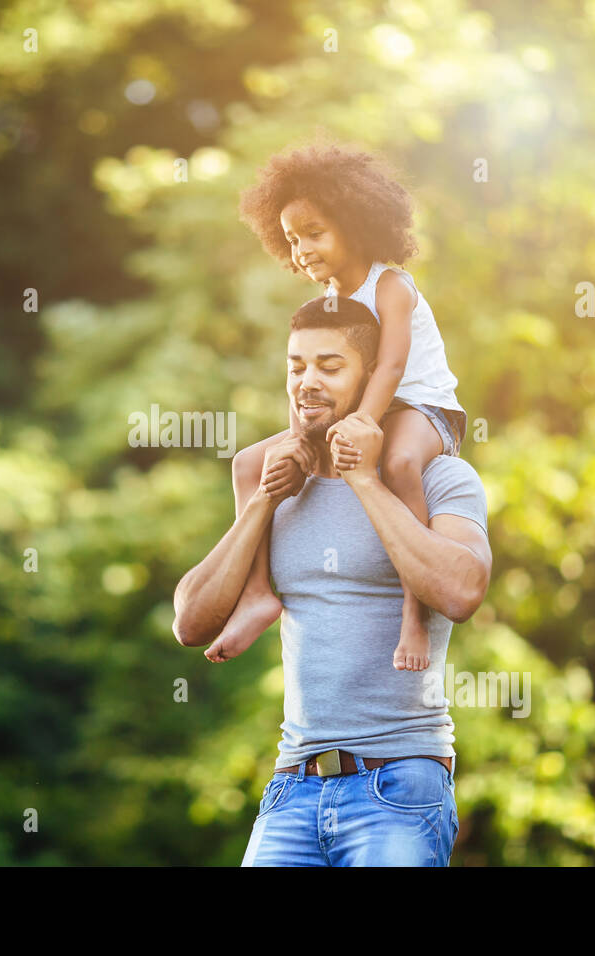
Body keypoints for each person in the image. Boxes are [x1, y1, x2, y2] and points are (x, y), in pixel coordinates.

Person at [172, 296, 491, 866]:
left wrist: (364, 480)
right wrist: (265, 501)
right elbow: (191, 622)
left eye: (329, 365)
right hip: (292, 786)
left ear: (370, 377)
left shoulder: (436, 475)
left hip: (398, 784)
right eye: (296, 366)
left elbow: (463, 591)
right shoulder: (271, 478)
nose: (307, 382)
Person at [208, 142, 467, 671]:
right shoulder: (321, 304)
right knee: (250, 466)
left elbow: (391, 367)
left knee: (395, 463)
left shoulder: (390, 286)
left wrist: (360, 424)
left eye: (314, 233)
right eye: (291, 239)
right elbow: (304, 383)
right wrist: (296, 442)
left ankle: (414, 615)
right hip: (365, 410)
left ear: (355, 222)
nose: (302, 248)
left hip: (424, 408)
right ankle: (258, 593)